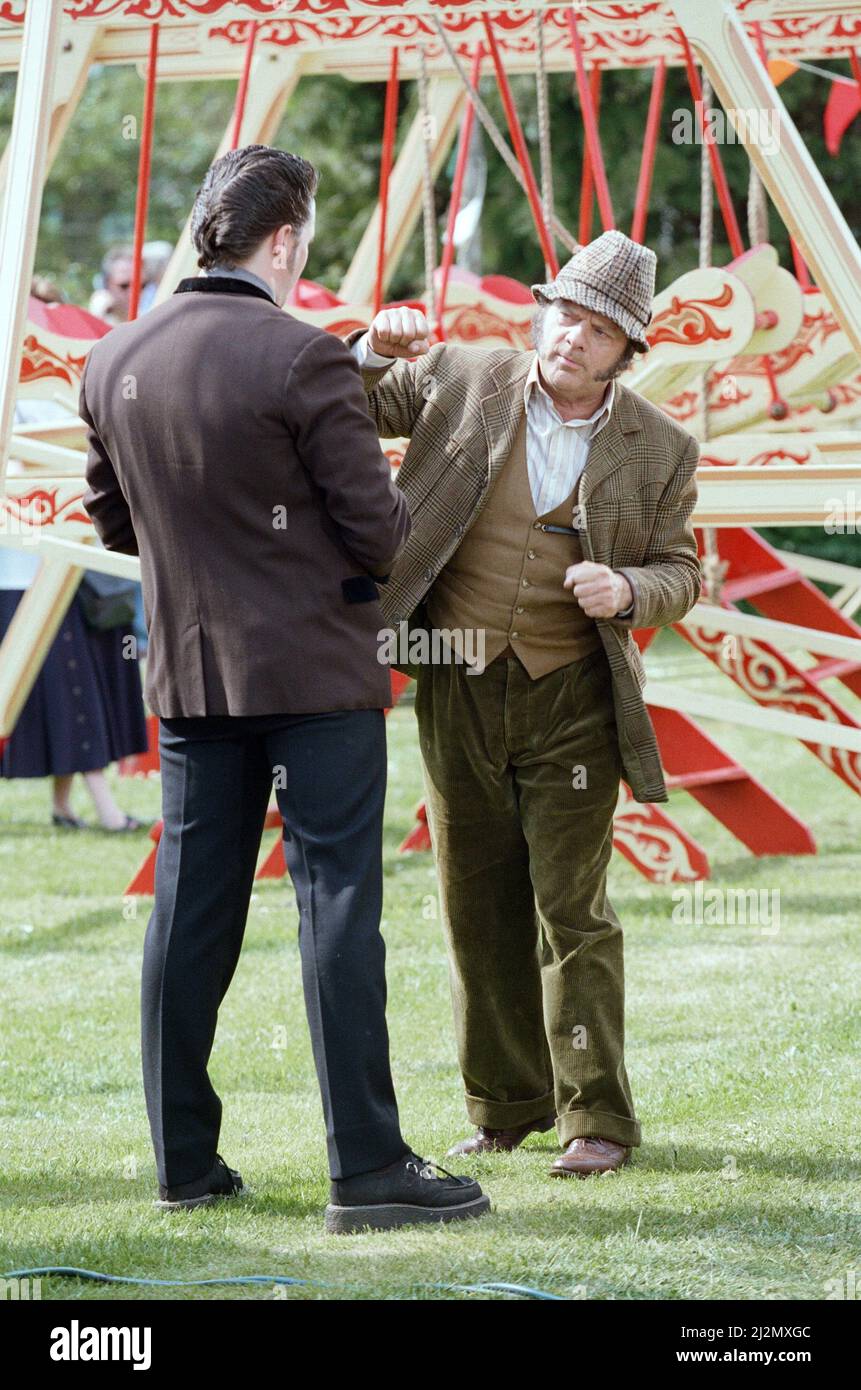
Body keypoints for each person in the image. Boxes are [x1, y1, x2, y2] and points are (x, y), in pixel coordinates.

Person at [79, 144, 490, 1232]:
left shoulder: (113, 357)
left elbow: (116, 519)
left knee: (188, 914)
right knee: (337, 907)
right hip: (313, 671)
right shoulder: (304, 357)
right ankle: (367, 1169)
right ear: (284, 240)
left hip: (189, 675)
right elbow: (379, 533)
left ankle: (184, 1163)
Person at [348, 229, 702, 1179]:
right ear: (540, 316)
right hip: (455, 678)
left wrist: (628, 591)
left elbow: (680, 572)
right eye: (565, 316)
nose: (572, 338)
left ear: (626, 353)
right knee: (473, 900)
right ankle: (504, 1106)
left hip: (573, 695)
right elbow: (346, 405)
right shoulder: (461, 376)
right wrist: (374, 348)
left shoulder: (661, 447)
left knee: (571, 909)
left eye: (599, 330)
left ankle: (595, 1119)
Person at [0, 276, 148, 831]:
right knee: (68, 689)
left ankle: (67, 805)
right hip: (22, 565)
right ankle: (101, 809)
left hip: (69, 559)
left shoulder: (64, 384)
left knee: (81, 685)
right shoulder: (13, 386)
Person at [88, 246, 134, 325]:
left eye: (142, 286)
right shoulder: (103, 307)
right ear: (107, 284)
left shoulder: (151, 307)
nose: (133, 292)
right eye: (124, 286)